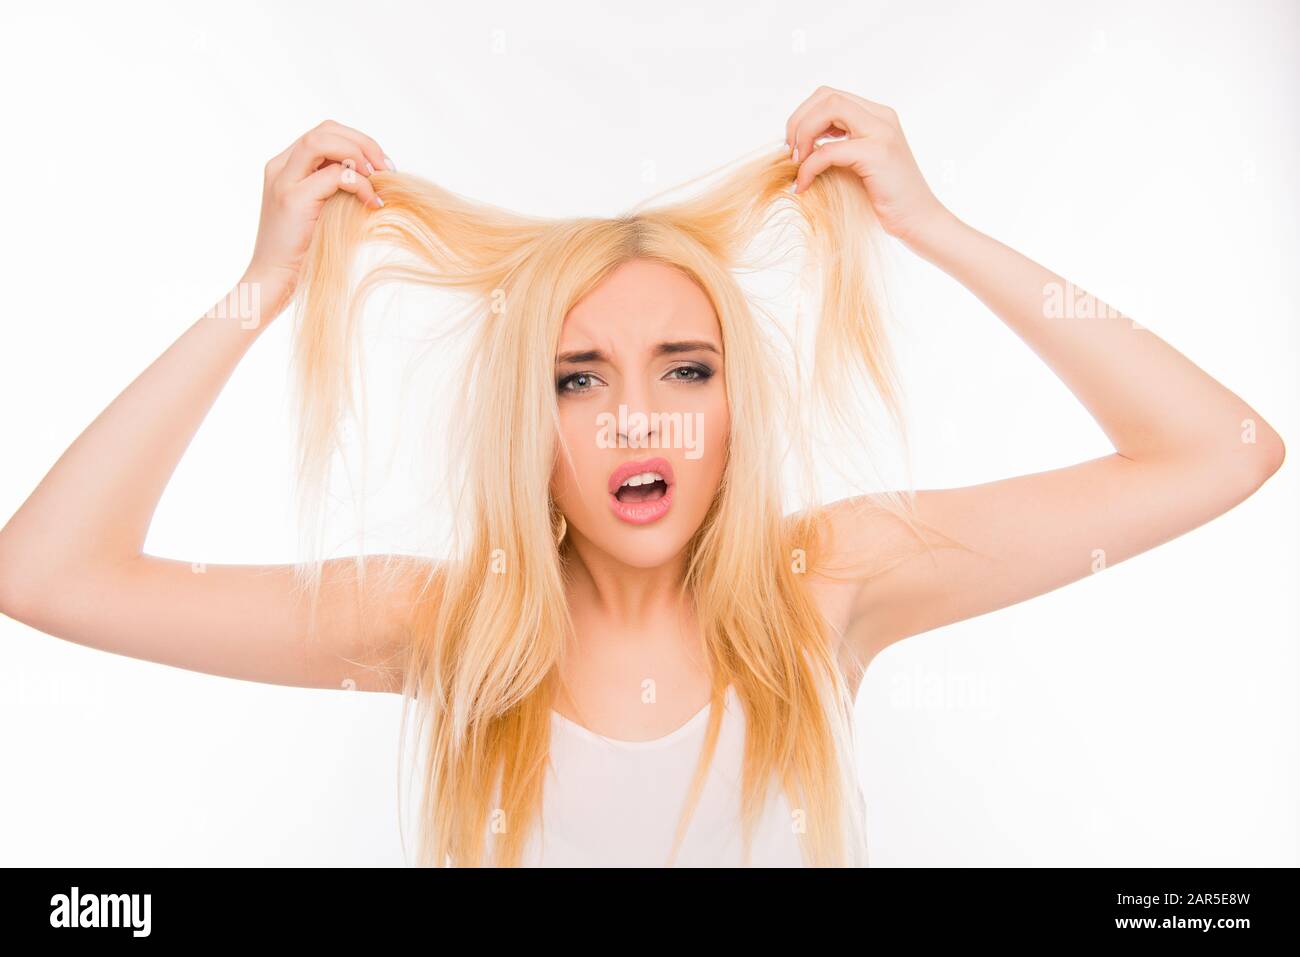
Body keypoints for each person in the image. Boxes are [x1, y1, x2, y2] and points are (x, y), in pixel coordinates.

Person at [0, 86, 1283, 867]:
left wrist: (925, 225)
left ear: (735, 406)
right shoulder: (445, 624)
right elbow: (47, 575)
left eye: (683, 372)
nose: (635, 423)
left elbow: (1221, 452)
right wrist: (261, 290)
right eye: (576, 379)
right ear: (528, 419)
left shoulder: (824, 582)